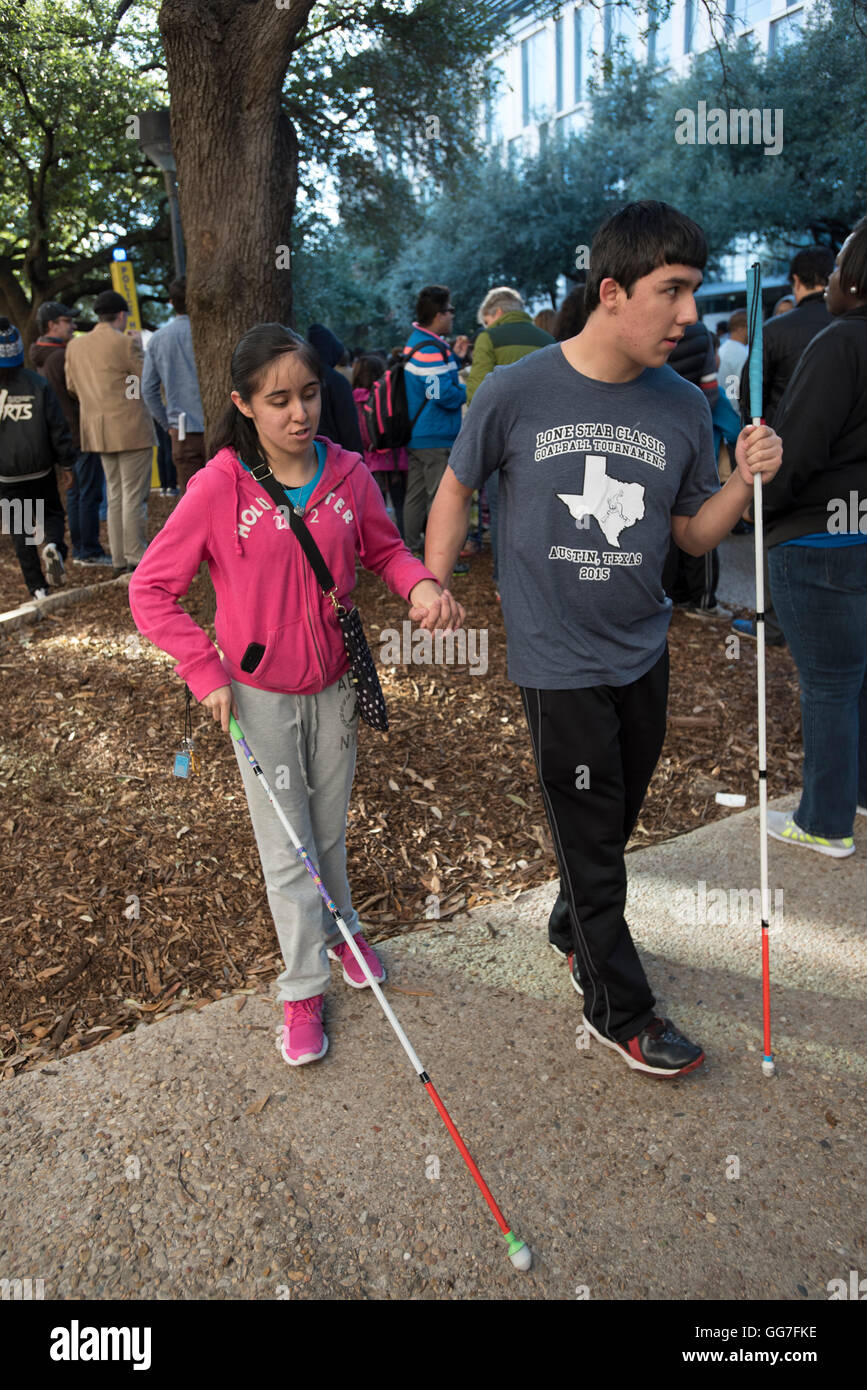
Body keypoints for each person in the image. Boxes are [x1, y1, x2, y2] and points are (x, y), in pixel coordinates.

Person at [424, 200, 782, 1078]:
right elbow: (454, 487)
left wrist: (740, 478)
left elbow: (694, 537)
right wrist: (434, 579)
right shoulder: (517, 387)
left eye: (695, 292)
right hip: (556, 661)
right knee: (589, 834)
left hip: (640, 651)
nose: (690, 316)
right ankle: (617, 1005)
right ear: (612, 292)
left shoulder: (678, 404)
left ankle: (569, 922)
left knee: (612, 819)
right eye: (674, 291)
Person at [129, 323, 462, 1065]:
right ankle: (302, 987)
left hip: (336, 683)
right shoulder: (218, 485)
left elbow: (383, 548)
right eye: (277, 400)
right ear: (243, 404)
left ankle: (342, 930)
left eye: (308, 394)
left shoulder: (346, 471)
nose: (298, 414)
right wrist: (204, 669)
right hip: (258, 699)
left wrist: (420, 585)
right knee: (287, 849)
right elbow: (151, 590)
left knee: (328, 828)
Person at [761, 219, 867, 858]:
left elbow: (795, 450)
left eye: (833, 274)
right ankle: (854, 793)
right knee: (857, 678)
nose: (825, 285)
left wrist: (758, 511)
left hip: (818, 539)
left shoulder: (839, 343)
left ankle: (826, 821)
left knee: (829, 683)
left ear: (852, 280)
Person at [734, 245, 835, 648]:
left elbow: (748, 399)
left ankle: (773, 621)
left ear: (795, 281)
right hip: (844, 463)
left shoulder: (773, 332)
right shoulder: (851, 328)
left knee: (776, 536)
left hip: (784, 455)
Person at [466, 287, 555, 593]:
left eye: (487, 320)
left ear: (498, 314)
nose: (486, 326)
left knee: (503, 510)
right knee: (540, 509)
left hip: (502, 440)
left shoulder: (488, 339)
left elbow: (478, 393)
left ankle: (505, 577)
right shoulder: (547, 340)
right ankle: (540, 575)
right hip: (545, 440)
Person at [65, 289, 155, 577]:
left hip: (97, 428)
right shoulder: (125, 344)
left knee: (115, 494)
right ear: (120, 315)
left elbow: (71, 387)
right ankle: (136, 555)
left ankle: (119, 556)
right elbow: (145, 381)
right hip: (130, 428)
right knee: (133, 496)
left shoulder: (75, 347)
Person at [30, 300, 112, 567]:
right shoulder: (60, 356)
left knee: (77, 493)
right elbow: (78, 391)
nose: (74, 326)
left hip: (62, 436)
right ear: (52, 325)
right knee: (88, 493)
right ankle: (87, 549)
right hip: (77, 431)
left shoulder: (42, 355)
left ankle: (81, 547)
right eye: (67, 321)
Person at [0, 317, 75, 599]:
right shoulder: (37, 384)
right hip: (41, 469)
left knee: (20, 529)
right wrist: (66, 463)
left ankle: (37, 587)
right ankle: (54, 545)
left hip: (7, 474)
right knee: (51, 514)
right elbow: (57, 427)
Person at [662, 319, 731, 618]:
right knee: (694, 511)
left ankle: (670, 593)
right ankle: (702, 599)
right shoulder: (700, 333)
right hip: (689, 438)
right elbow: (710, 392)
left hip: (648, 438)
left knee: (660, 518)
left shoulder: (639, 329)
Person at [402, 285, 467, 555]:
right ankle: (436, 556)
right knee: (440, 499)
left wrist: (456, 359)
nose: (453, 316)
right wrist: (465, 388)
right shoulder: (429, 349)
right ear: (439, 315)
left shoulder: (421, 342)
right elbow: (439, 394)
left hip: (419, 434)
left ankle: (411, 550)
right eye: (450, 310)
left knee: (415, 495)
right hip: (435, 436)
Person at [141, 277, 205, 495]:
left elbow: (148, 389)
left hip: (183, 430)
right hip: (221, 430)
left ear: (170, 302)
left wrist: (167, 424)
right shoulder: (213, 334)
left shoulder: (159, 339)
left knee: (192, 503)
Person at [352, 352, 408, 536]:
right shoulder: (388, 397)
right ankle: (406, 541)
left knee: (377, 507)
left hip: (370, 460)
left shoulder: (353, 401)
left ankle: (381, 544)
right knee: (401, 505)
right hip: (395, 458)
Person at [306, 324, 364, 454]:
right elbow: (349, 428)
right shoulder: (336, 381)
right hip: (334, 457)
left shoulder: (299, 377)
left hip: (304, 457)